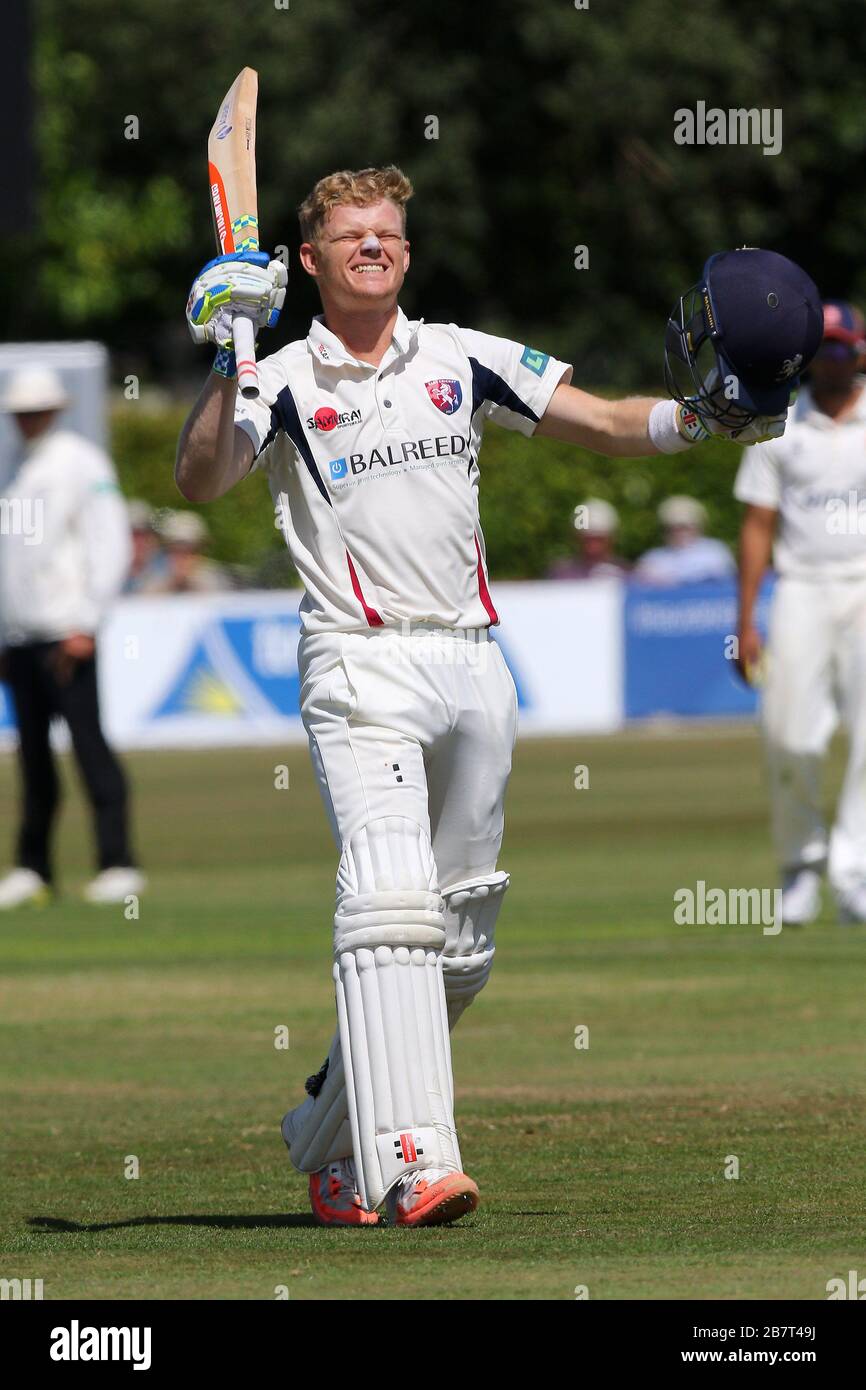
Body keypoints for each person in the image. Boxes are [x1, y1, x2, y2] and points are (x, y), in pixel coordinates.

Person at [176, 171, 813, 1228]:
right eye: (349, 235)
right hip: (357, 662)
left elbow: (603, 421)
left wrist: (700, 421)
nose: (373, 247)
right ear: (309, 261)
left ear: (408, 254)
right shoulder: (276, 375)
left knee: (459, 952)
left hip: (472, 663)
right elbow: (201, 479)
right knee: (387, 901)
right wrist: (224, 349)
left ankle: (322, 1138)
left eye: (388, 233)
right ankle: (414, 1162)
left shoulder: (460, 356)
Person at [735, 300, 866, 925]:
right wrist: (745, 620)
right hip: (802, 588)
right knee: (788, 734)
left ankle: (854, 872)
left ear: (859, 353)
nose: (834, 360)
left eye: (844, 348)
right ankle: (800, 863)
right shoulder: (778, 423)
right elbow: (758, 523)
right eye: (826, 349)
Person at [0, 366, 145, 909]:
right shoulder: (16, 465)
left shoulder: (81, 461)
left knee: (89, 747)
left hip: (67, 632)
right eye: (19, 412)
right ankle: (33, 867)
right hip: (23, 635)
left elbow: (108, 545)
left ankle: (119, 862)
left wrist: (87, 621)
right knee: (32, 758)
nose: (26, 420)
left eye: (34, 410)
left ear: (55, 409)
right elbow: (14, 559)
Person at [632, 494, 736, 585]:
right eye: (672, 528)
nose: (679, 533)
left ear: (698, 526)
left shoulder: (716, 552)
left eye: (684, 527)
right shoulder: (653, 559)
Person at [142, 510, 232, 594]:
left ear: (200, 552)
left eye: (189, 551)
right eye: (175, 550)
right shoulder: (153, 588)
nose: (181, 558)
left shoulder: (218, 586)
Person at [547, 498, 629, 579]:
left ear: (611, 539)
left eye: (599, 539)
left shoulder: (626, 575)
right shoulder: (560, 574)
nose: (593, 547)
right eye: (587, 539)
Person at [123, 498, 168, 593]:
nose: (138, 541)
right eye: (133, 534)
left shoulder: (166, 568)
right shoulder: (107, 570)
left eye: (143, 534)